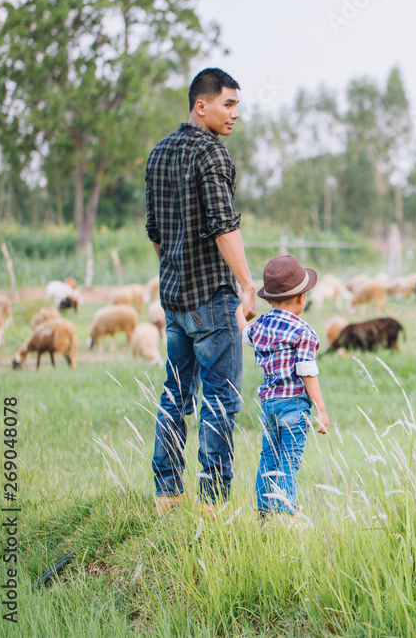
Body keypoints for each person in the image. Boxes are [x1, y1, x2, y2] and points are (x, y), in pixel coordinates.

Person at [145, 68, 258, 516]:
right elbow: (223, 226)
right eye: (228, 104)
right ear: (201, 105)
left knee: (174, 395)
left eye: (237, 105)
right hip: (211, 297)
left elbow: (155, 230)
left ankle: (167, 497)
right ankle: (214, 505)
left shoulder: (158, 154)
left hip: (173, 298)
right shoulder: (212, 153)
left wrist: (173, 268)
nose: (234, 114)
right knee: (221, 400)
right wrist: (248, 286)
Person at [235, 255, 330, 520]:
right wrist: (321, 410)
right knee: (289, 459)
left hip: (269, 406)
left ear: (267, 300)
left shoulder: (262, 326)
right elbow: (307, 372)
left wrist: (238, 313)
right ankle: (287, 513)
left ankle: (265, 511)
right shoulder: (304, 332)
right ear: (302, 298)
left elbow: (245, 333)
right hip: (294, 405)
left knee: (269, 457)